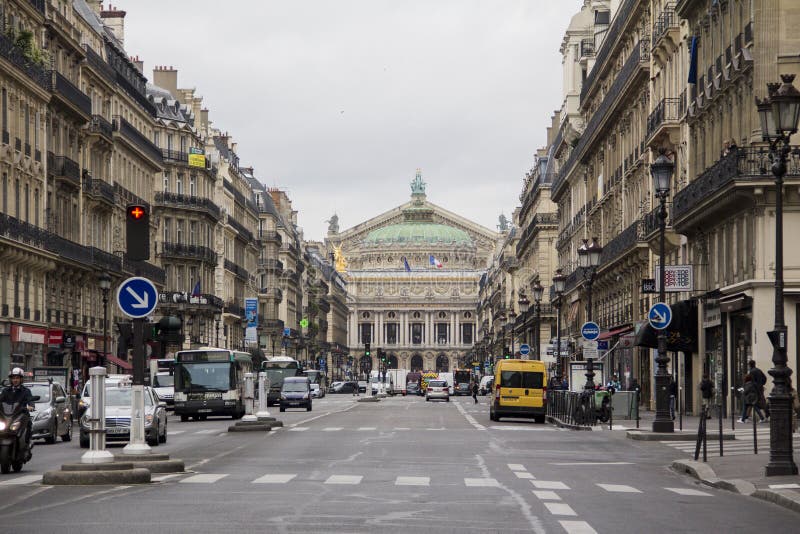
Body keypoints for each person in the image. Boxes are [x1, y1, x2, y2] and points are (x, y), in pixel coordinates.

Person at [0, 367, 34, 454]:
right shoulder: (5, 391)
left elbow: (30, 399)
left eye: (17, 378)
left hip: (20, 415)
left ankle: (27, 444)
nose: (15, 380)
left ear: (21, 379)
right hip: (7, 415)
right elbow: (1, 400)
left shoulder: (26, 391)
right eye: (13, 378)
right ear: (10, 379)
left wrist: (31, 406)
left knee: (29, 424)